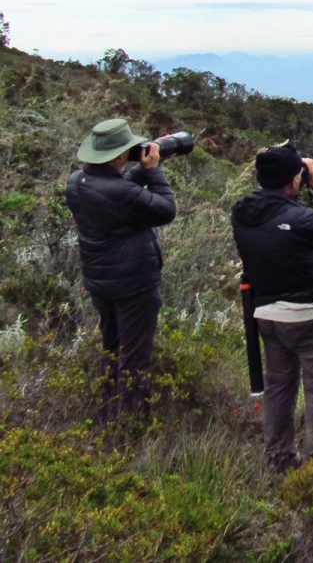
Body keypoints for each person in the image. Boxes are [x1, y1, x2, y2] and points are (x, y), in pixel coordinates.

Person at [231, 144, 313, 473]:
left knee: (279, 389)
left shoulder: (241, 212)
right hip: (310, 317)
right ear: (295, 181)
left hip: (267, 316)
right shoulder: (301, 220)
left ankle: (278, 459)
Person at [65, 118, 177, 422]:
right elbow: (166, 209)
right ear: (119, 155)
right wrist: (153, 171)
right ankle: (132, 423)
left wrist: (140, 168)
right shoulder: (120, 192)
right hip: (133, 285)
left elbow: (115, 189)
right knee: (136, 355)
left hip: (101, 281)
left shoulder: (76, 182)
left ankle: (106, 414)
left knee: (112, 348)